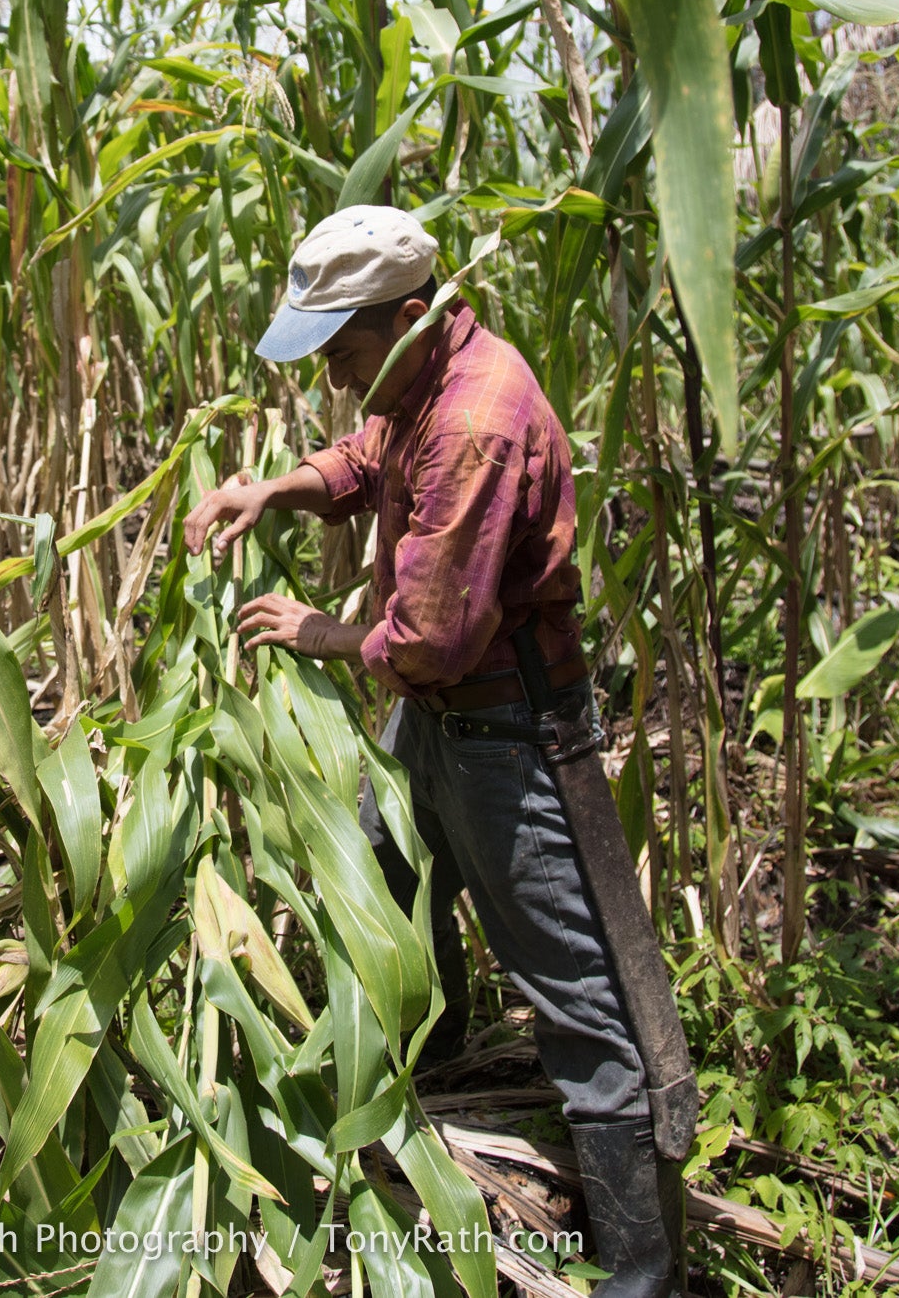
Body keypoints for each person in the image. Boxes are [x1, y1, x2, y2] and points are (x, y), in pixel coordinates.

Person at [181, 204, 691, 1298]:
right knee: (387, 875)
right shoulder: (423, 380)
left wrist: (317, 630)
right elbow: (370, 451)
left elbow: (430, 642)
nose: (332, 382)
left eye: (345, 354)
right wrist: (279, 485)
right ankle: (442, 1058)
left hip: (506, 726)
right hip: (442, 717)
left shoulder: (474, 423)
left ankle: (642, 1272)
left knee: (579, 998)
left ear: (412, 318)